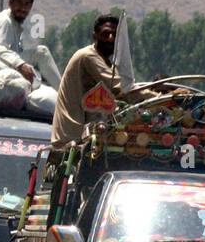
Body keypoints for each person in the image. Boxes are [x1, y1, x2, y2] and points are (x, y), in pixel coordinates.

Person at [51, 14, 152, 149]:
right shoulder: (88, 56)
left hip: (80, 137)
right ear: (95, 36)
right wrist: (162, 97)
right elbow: (122, 89)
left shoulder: (105, 62)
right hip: (73, 139)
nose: (110, 38)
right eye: (106, 34)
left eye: (115, 35)